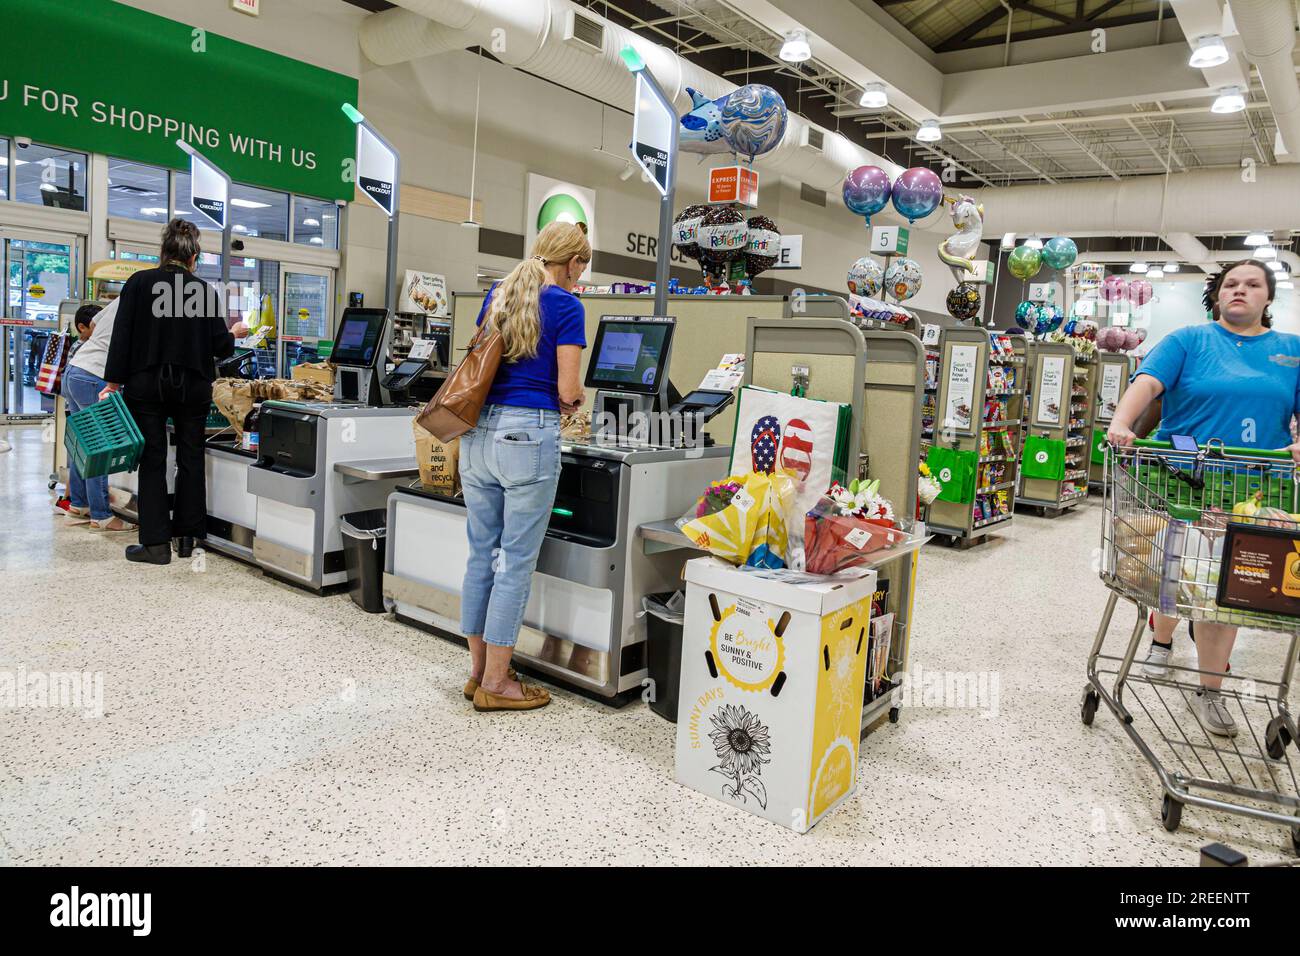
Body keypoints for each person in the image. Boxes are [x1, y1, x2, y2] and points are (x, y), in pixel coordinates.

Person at [1107, 259, 1300, 737]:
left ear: (1268, 297)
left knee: (1228, 593)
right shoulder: (1188, 341)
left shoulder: (1292, 352)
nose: (1240, 290)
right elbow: (1147, 383)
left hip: (1255, 488)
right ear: (1218, 295)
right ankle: (1161, 640)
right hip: (1183, 477)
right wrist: (1120, 424)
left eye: (1252, 284)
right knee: (1174, 574)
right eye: (1231, 283)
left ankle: (1210, 688)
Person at [458, 221, 590, 712]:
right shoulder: (566, 305)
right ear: (573, 262)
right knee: (514, 562)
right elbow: (568, 389)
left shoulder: (499, 292)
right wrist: (575, 405)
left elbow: (477, 363)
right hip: (526, 436)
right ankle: (498, 683)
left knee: (480, 555)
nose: (580, 276)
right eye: (582, 266)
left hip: (476, 434)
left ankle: (477, 673)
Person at [101, 219, 248, 564]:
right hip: (193, 388)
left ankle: (154, 545)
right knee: (190, 459)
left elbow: (121, 337)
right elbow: (221, 347)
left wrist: (111, 383)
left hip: (147, 386)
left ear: (163, 252)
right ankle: (188, 538)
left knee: (152, 462)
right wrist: (234, 333)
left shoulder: (139, 283)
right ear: (193, 255)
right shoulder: (204, 291)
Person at [60, 300, 137, 534]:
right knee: (99, 448)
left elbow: (94, 322)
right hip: (95, 375)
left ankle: (79, 504)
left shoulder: (122, 300)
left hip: (74, 371)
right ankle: (101, 516)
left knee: (83, 445)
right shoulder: (146, 304)